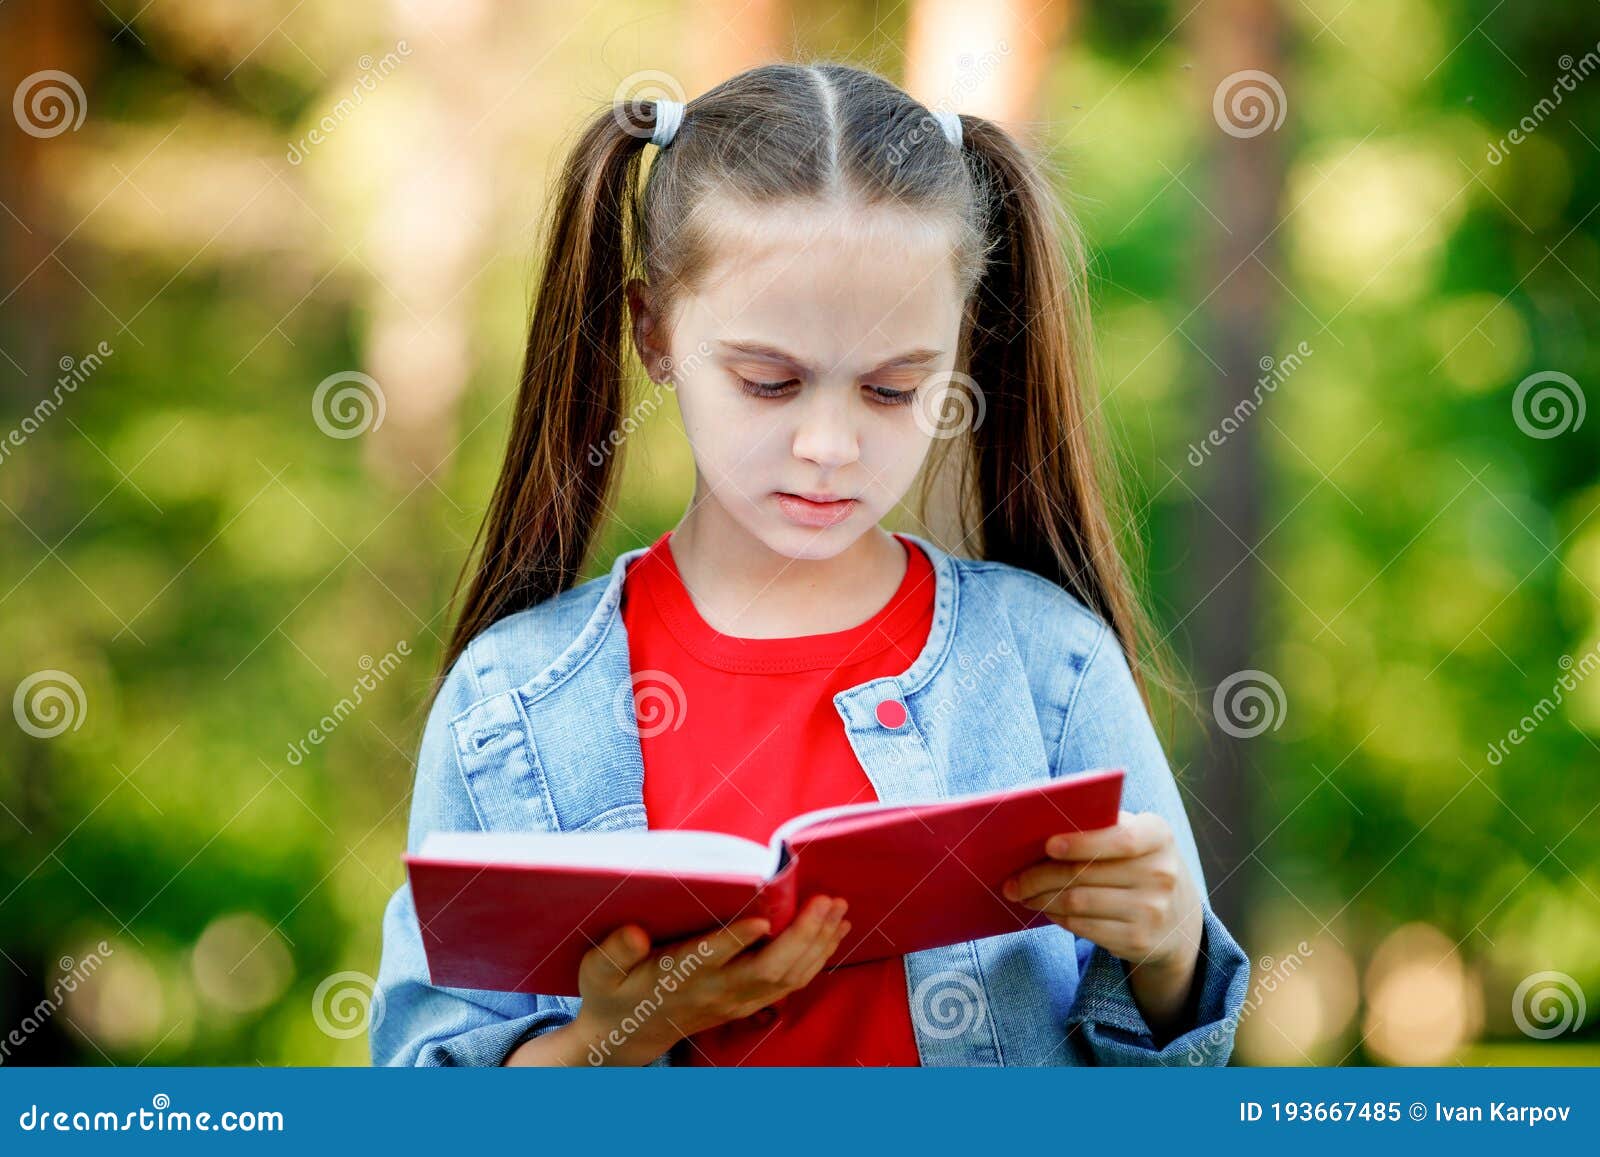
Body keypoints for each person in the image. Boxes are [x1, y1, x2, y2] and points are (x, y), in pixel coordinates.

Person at [371, 60, 1250, 1067]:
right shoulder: (510, 702)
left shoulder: (1051, 665)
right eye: (768, 381)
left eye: (891, 390)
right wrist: (613, 1035)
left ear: (959, 348)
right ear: (653, 332)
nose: (828, 445)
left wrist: (1171, 954)